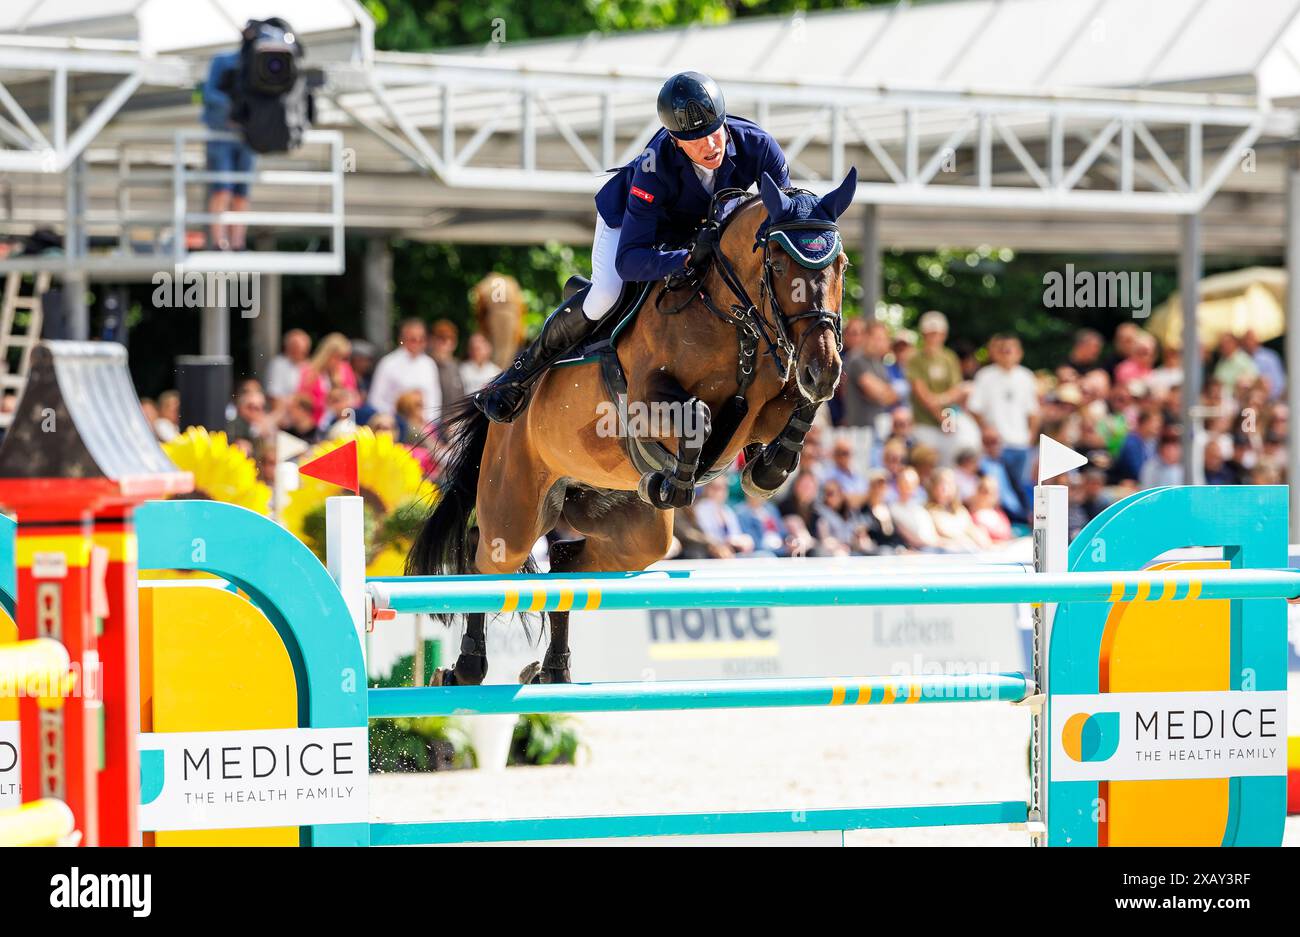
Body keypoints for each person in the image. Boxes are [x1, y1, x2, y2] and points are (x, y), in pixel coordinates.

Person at [475, 71, 791, 423]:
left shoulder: (759, 145)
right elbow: (629, 260)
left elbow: (783, 218)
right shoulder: (653, 167)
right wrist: (685, 259)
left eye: (715, 130)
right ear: (675, 141)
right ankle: (519, 374)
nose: (712, 145)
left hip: (699, 228)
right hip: (631, 225)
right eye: (696, 139)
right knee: (606, 295)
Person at [967, 334, 1039, 502]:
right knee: (1000, 489)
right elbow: (974, 408)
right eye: (1003, 350)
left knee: (1023, 485)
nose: (1006, 354)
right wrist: (986, 430)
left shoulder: (1026, 377)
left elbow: (1033, 412)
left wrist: (1030, 438)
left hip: (1020, 444)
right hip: (996, 445)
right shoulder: (985, 376)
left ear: (1019, 353)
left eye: (1010, 350)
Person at [201, 48, 255, 251]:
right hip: (220, 135)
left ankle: (238, 243)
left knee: (242, 194)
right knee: (222, 190)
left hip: (248, 138)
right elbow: (209, 94)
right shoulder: (223, 61)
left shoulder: (258, 66)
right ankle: (218, 242)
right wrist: (235, 105)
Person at [907, 311, 966, 461]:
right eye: (931, 333)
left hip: (947, 422)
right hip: (924, 423)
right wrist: (942, 417)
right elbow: (921, 393)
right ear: (924, 334)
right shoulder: (915, 359)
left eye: (937, 333)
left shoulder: (949, 357)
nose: (934, 337)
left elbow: (956, 390)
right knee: (926, 463)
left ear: (944, 335)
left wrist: (938, 402)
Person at [369, 319, 442, 423]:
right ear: (402, 339)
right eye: (413, 339)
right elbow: (375, 399)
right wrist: (396, 416)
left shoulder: (430, 364)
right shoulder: (388, 363)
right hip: (395, 422)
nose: (417, 342)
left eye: (421, 339)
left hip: (425, 424)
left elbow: (435, 398)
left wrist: (426, 419)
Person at [297, 333, 357, 427]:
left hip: (341, 421)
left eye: (343, 358)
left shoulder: (345, 370)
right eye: (337, 357)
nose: (340, 361)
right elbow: (302, 400)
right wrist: (326, 400)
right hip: (316, 422)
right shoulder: (310, 372)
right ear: (327, 355)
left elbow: (354, 396)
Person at [430, 319, 465, 415]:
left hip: (453, 421)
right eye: (442, 338)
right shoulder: (428, 364)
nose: (447, 342)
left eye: (451, 338)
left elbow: (460, 396)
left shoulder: (456, 365)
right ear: (433, 340)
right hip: (434, 422)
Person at [266, 329, 310, 403]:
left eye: (300, 348)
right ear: (287, 347)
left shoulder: (310, 366)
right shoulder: (278, 364)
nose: (297, 351)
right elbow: (273, 394)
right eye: (294, 347)